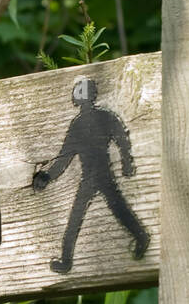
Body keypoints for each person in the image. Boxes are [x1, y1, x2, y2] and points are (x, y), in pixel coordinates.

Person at [33, 77, 149, 273]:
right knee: (90, 214)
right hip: (92, 176)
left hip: (100, 175)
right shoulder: (89, 121)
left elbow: (121, 140)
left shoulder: (93, 120)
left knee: (106, 211)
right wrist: (47, 176)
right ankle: (67, 260)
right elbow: (65, 158)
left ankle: (140, 238)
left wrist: (127, 163)